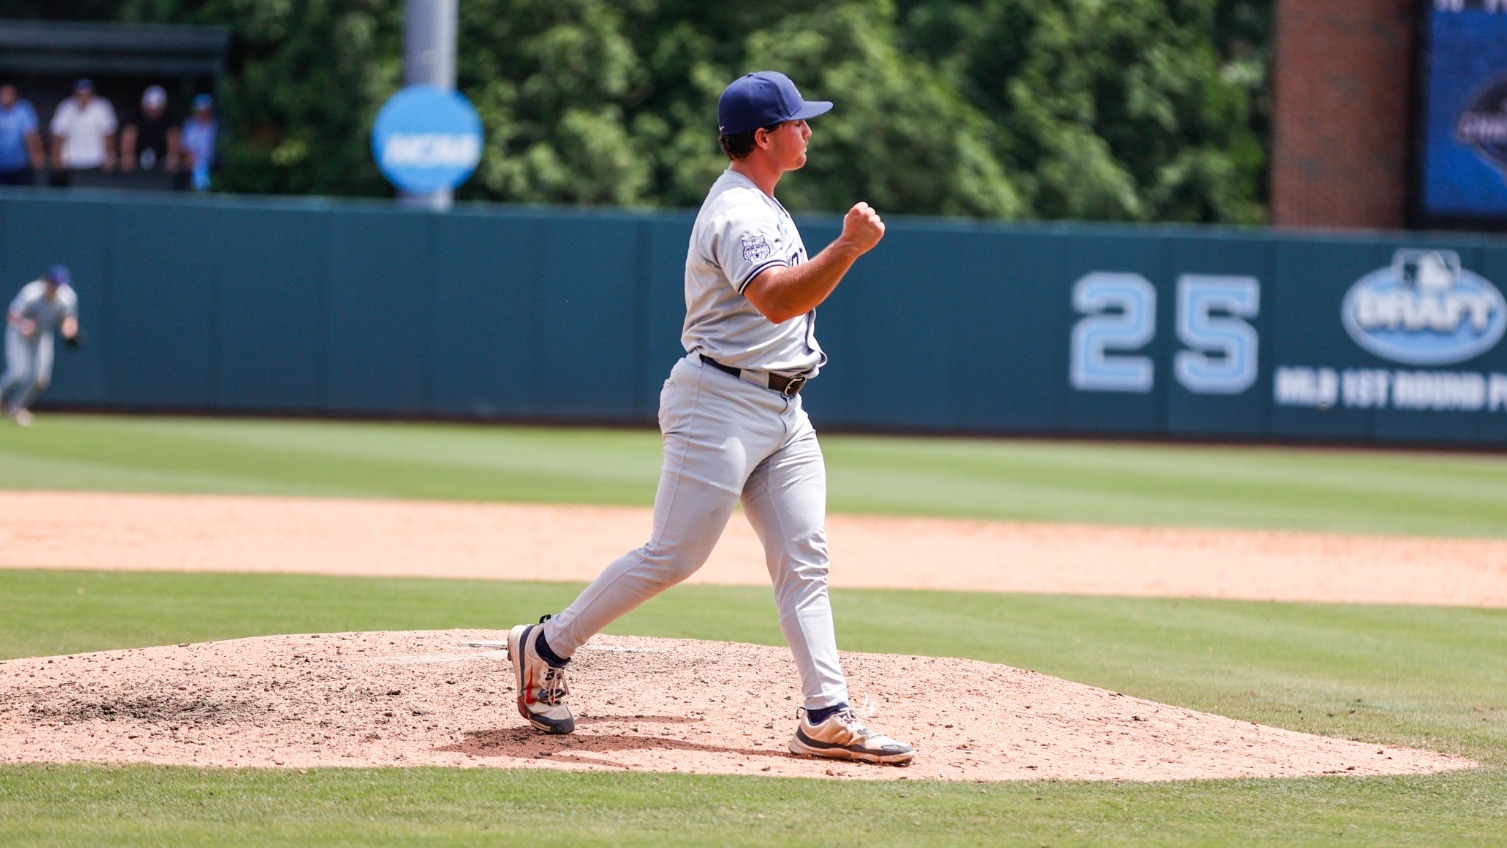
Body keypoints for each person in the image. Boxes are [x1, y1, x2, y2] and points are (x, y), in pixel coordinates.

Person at [506, 71, 915, 765]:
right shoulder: (736, 213)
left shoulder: (763, 202)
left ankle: (825, 714)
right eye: (797, 122)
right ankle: (545, 647)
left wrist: (839, 249)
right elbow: (777, 301)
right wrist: (844, 247)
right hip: (719, 402)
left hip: (783, 408)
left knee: (804, 558)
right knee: (676, 554)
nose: (808, 130)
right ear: (763, 137)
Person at [1, 265, 81, 427]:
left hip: (42, 336)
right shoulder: (31, 293)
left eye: (59, 284)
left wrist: (69, 330)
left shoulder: (67, 296)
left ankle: (16, 408)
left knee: (41, 379)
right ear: (46, 281)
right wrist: (23, 324)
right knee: (17, 374)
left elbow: (69, 319)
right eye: (54, 283)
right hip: (18, 335)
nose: (56, 288)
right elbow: (10, 316)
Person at [49, 79, 117, 177]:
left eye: (87, 94)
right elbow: (58, 135)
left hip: (97, 161)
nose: (84, 98)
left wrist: (110, 157)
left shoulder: (102, 107)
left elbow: (109, 134)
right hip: (70, 162)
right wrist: (56, 157)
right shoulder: (66, 107)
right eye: (80, 94)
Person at [120, 85, 180, 176]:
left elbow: (174, 138)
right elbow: (128, 135)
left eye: (156, 109)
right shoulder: (135, 118)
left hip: (161, 160)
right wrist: (127, 156)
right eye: (149, 109)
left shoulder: (169, 121)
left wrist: (173, 157)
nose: (152, 112)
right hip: (138, 159)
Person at [0, 83, 45, 186]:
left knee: (19, 193)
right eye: (2, 94)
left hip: (19, 163)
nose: (5, 97)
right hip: (1, 163)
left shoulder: (23, 109)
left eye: (8, 94)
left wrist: (36, 153)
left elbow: (31, 134)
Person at [179, 93, 217, 191]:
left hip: (211, 162)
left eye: (205, 111)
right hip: (191, 161)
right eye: (200, 111)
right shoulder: (189, 125)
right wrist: (188, 156)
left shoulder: (217, 127)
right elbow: (183, 147)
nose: (202, 113)